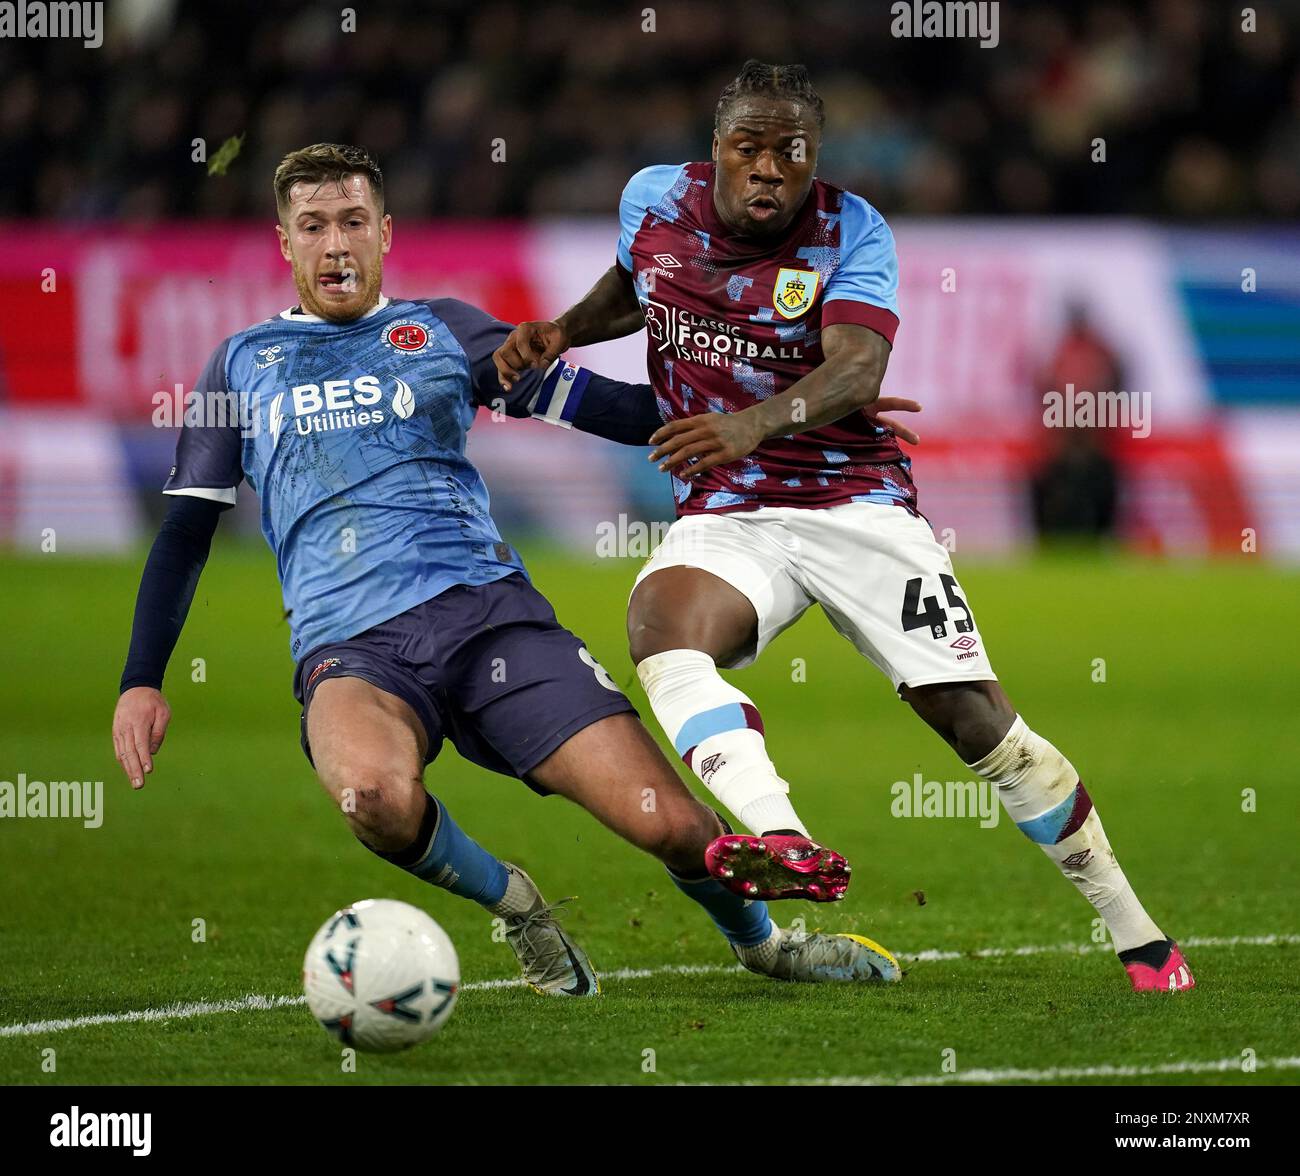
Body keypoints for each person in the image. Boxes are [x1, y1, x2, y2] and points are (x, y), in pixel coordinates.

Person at [111, 142, 902, 998]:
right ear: (284, 241)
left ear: (384, 232)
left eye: (350, 223)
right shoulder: (240, 365)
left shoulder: (443, 331)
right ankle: (517, 903)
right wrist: (142, 678)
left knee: (673, 825)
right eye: (312, 227)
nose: (334, 245)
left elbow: (614, 409)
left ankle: (765, 944)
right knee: (372, 797)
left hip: (493, 622)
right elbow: (186, 530)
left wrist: (794, 409)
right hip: (352, 651)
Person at [493, 63, 1193, 992]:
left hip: (853, 503)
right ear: (716, 151)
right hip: (729, 510)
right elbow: (640, 280)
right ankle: (778, 833)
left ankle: (1138, 933)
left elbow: (858, 369)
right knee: (660, 628)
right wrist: (569, 327)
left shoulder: (851, 230)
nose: (771, 168)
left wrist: (747, 422)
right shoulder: (651, 199)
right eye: (750, 147)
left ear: (814, 156)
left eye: (793, 150)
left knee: (978, 725)